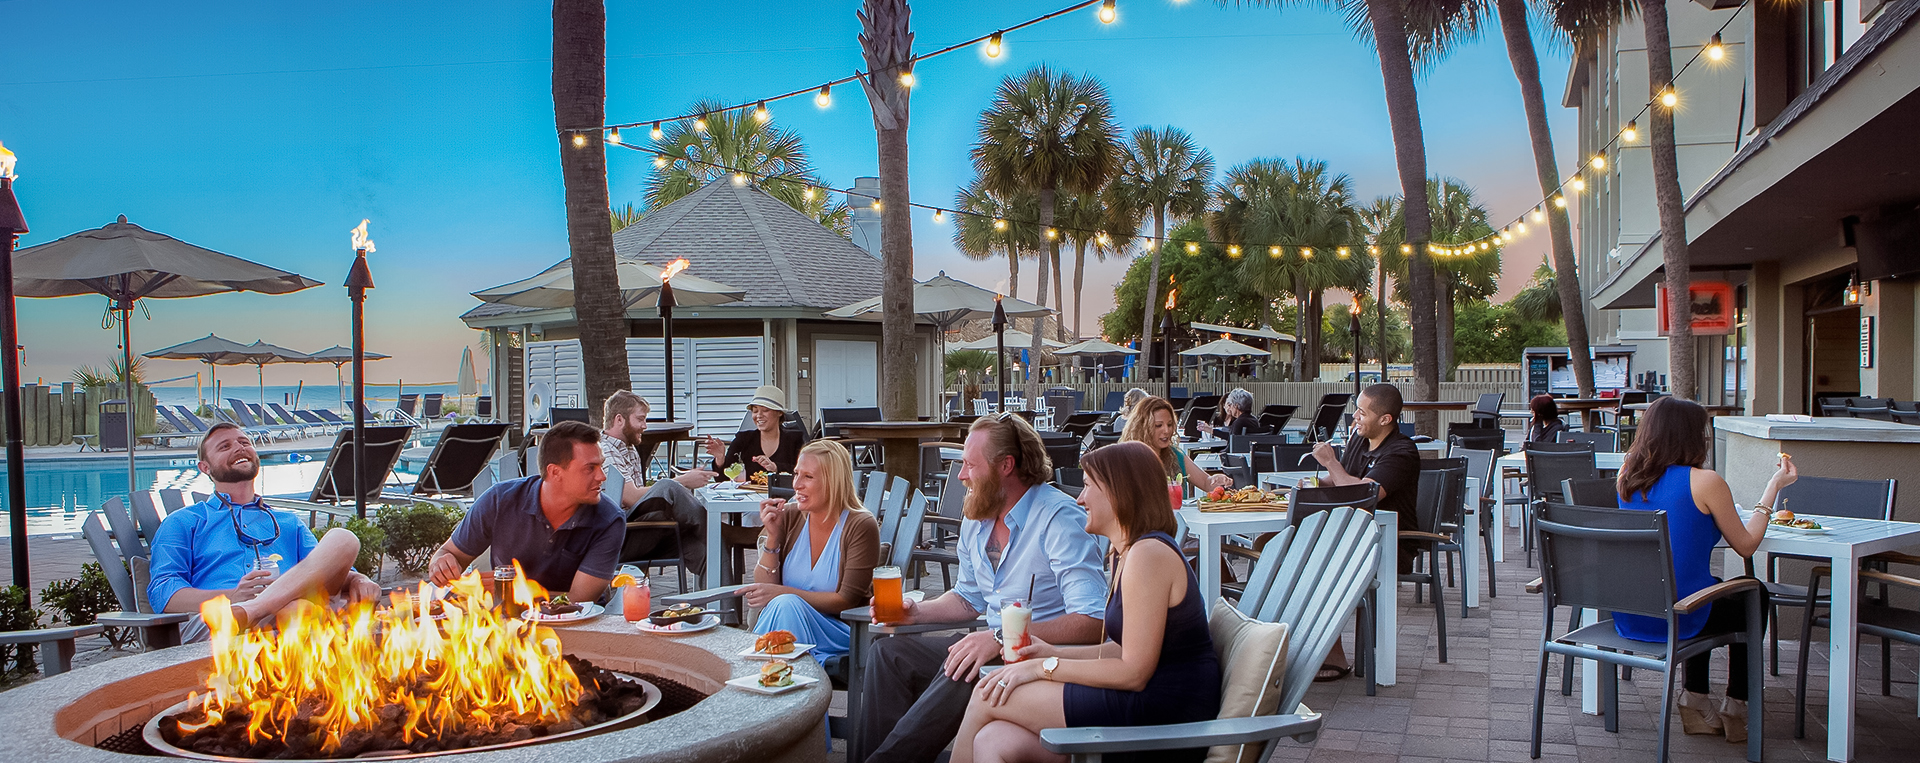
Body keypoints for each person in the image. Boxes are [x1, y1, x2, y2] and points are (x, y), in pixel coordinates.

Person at [860, 413, 1109, 763]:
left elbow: (1093, 621)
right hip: (996, 649)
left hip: (1043, 661)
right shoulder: (977, 519)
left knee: (968, 663)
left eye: (968, 465)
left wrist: (998, 639)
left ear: (1005, 465)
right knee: (888, 654)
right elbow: (968, 598)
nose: (960, 476)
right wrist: (915, 611)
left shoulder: (1058, 520)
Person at [952, 441, 1221, 763]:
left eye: (1088, 486)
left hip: (1166, 713)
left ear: (1118, 492)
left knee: (988, 696)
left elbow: (1133, 672)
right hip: (1147, 699)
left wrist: (1043, 667)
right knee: (995, 740)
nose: (1080, 499)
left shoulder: (1148, 556)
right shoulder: (1131, 553)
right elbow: (1123, 649)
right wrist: (1050, 651)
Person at [1614, 397, 1789, 744]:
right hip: (1682, 616)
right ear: (1693, 437)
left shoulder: (1626, 476)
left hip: (1634, 612)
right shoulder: (1706, 482)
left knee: (1711, 587)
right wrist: (1773, 488)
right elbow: (1746, 544)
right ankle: (1738, 704)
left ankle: (1695, 698)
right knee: (1752, 592)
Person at [147, 423, 381, 642]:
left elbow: (327, 569)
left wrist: (359, 578)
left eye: (244, 442)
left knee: (344, 539)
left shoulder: (288, 522)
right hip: (219, 621)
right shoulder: (184, 522)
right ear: (205, 467)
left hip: (285, 612)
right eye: (225, 446)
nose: (239, 447)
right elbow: (163, 593)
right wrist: (232, 597)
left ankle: (252, 610)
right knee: (300, 610)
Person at [427, 420, 626, 604]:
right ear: (555, 472)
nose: (602, 476)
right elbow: (449, 553)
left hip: (575, 627)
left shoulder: (609, 520)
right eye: (590, 468)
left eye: (601, 466)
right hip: (506, 624)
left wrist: (514, 590)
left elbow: (579, 599)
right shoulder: (499, 501)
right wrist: (441, 564)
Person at [1302, 382, 1420, 680]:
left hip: (1389, 545)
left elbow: (1366, 493)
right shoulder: (1358, 440)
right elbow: (1342, 480)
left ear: (1385, 419)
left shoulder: (1402, 451)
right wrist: (1315, 482)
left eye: (1362, 412)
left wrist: (1331, 463)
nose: (1354, 417)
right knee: (1284, 545)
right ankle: (1299, 644)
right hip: (1353, 536)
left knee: (1317, 561)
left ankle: (1332, 653)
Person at [740, 439, 880, 661]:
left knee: (786, 604)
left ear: (832, 482)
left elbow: (847, 600)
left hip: (835, 630)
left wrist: (786, 594)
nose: (796, 484)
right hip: (786, 621)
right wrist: (773, 538)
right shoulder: (791, 516)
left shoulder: (860, 525)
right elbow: (765, 589)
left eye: (808, 477)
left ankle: (762, 671)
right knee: (784, 606)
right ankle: (775, 672)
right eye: (796, 474)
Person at [597, 390, 751, 576]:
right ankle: (722, 531)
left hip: (646, 529)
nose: (645, 426)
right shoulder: (605, 450)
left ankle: (724, 604)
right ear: (619, 419)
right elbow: (630, 498)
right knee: (668, 487)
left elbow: (643, 499)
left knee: (709, 547)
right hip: (621, 535)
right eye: (640, 419)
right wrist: (682, 481)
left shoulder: (628, 449)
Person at [1120, 396, 1233, 493]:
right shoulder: (1127, 459)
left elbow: (1205, 482)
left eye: (1170, 424)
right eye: (1158, 425)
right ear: (1143, 428)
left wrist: (1216, 480)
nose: (1166, 430)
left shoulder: (1175, 455)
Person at [705, 385, 804, 479]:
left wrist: (776, 467)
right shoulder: (743, 439)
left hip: (783, 496)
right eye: (755, 411)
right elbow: (723, 479)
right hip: (747, 496)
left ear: (779, 412)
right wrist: (720, 459)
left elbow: (804, 473)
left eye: (765, 410)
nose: (759, 415)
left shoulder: (794, 440)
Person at [1197, 388, 1262, 438]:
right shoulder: (1254, 420)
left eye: (1230, 405)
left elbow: (1232, 442)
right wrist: (1211, 430)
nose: (1229, 408)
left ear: (1236, 406)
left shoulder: (1239, 422)